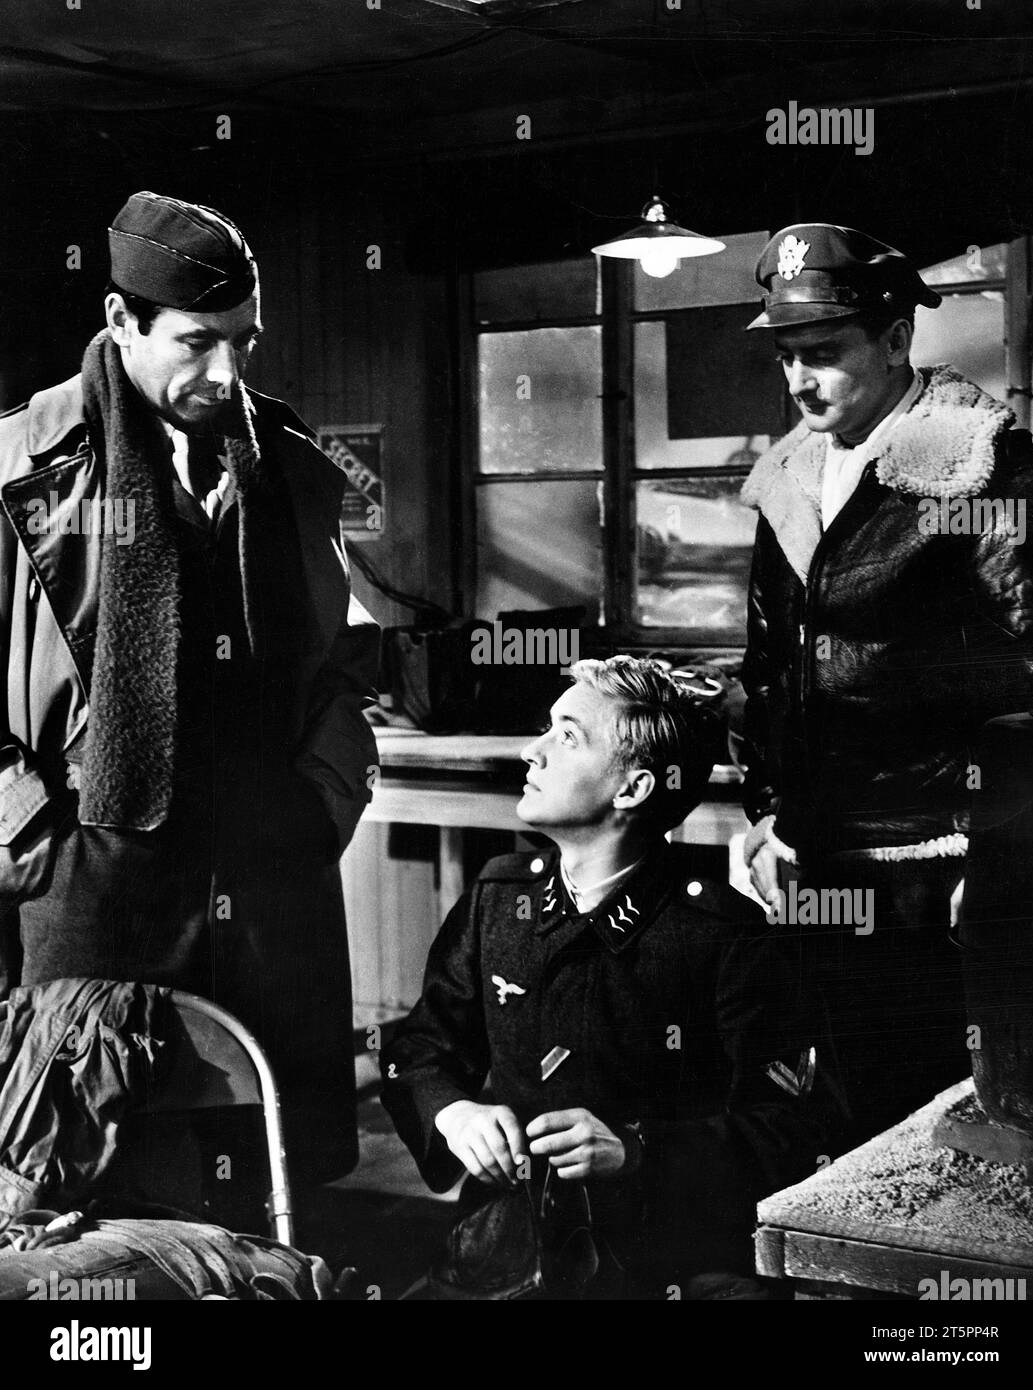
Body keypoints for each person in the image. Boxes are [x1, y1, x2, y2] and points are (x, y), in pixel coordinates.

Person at [0, 191, 379, 1189]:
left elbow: (347, 661)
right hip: (92, 878)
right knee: (81, 1166)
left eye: (244, 344)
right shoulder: (18, 464)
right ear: (122, 321)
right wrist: (31, 834)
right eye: (199, 342)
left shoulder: (289, 463)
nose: (226, 373)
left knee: (267, 1172)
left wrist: (322, 799)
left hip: (266, 872)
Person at [381, 656, 841, 1299]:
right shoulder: (498, 901)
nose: (530, 751)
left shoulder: (725, 935)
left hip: (667, 1260)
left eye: (567, 736)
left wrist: (638, 1151)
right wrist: (455, 1115)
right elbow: (416, 1054)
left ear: (632, 790)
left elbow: (800, 1129)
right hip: (506, 1251)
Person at [740, 222, 1033, 1142]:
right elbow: (769, 667)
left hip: (937, 869)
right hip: (813, 856)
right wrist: (766, 810)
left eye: (824, 353)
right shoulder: (789, 476)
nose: (801, 380)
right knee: (830, 1108)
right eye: (788, 356)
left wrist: (1006, 866)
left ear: (893, 340)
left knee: (939, 1130)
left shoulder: (981, 471)